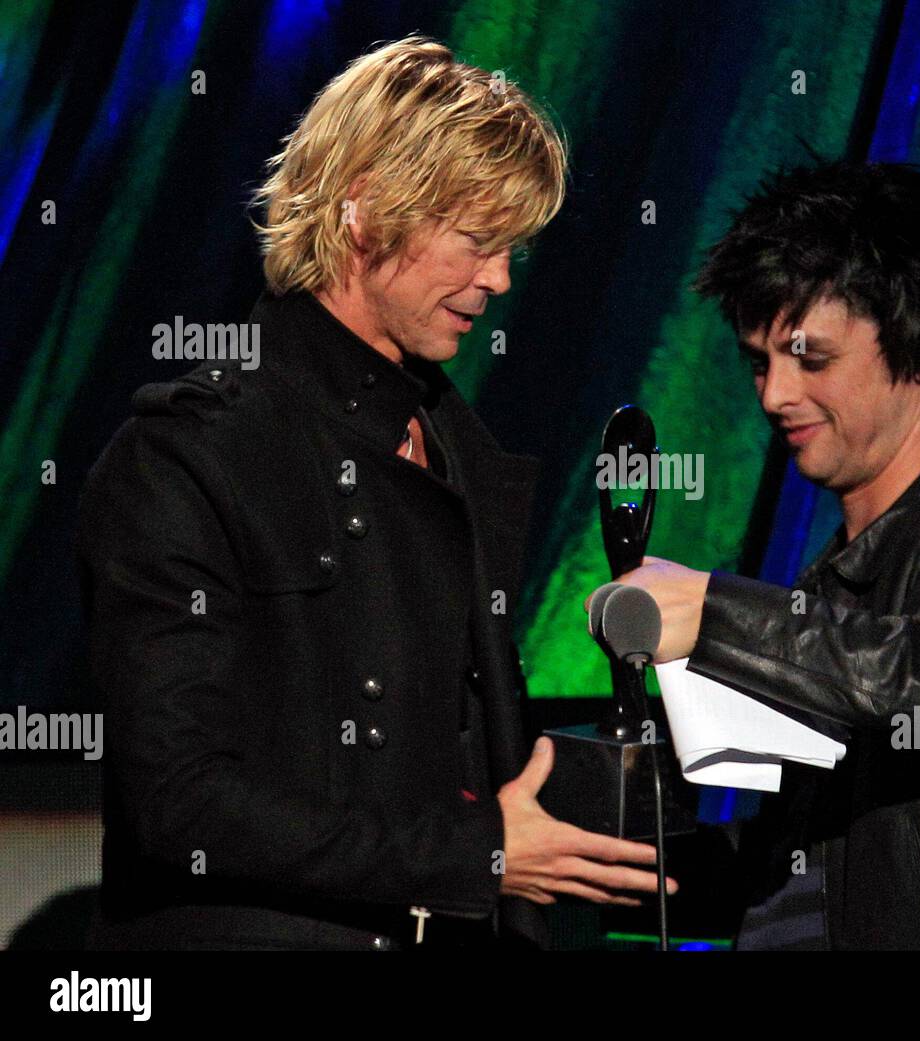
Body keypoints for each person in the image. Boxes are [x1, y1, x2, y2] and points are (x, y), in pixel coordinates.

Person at [77, 35, 674, 952]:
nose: (500, 280)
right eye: (477, 241)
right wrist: (473, 855)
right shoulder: (186, 455)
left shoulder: (457, 451)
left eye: (511, 247)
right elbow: (176, 803)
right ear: (363, 211)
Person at [595, 159, 920, 950]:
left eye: (809, 358)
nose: (773, 395)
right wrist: (590, 849)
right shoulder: (839, 579)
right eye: (761, 361)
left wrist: (711, 610)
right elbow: (797, 877)